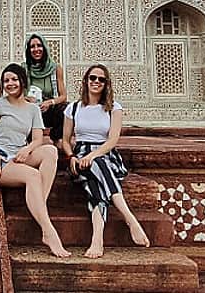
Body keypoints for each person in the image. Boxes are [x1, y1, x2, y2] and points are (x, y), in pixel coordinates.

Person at [0, 63, 71, 258]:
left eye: (14, 79)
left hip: (18, 155)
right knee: (33, 175)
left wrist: (26, 149)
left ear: (22, 81)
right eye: (6, 80)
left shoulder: (32, 109)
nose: (10, 83)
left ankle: (39, 207)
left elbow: (38, 139)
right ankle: (48, 231)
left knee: (50, 151)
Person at [61, 64, 150, 258]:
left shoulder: (113, 108)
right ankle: (128, 220)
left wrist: (93, 156)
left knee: (96, 172)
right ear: (86, 80)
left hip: (105, 154)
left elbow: (112, 139)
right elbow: (65, 140)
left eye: (101, 79)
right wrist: (71, 156)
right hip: (80, 154)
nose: (96, 82)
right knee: (94, 175)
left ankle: (99, 238)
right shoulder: (73, 108)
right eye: (93, 78)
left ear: (106, 83)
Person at [23, 34, 67, 142]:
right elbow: (17, 94)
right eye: (32, 47)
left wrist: (49, 102)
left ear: (45, 47)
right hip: (30, 109)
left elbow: (63, 96)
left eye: (39, 45)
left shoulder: (55, 68)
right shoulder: (24, 68)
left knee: (66, 109)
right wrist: (26, 99)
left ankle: (55, 138)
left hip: (49, 109)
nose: (36, 49)